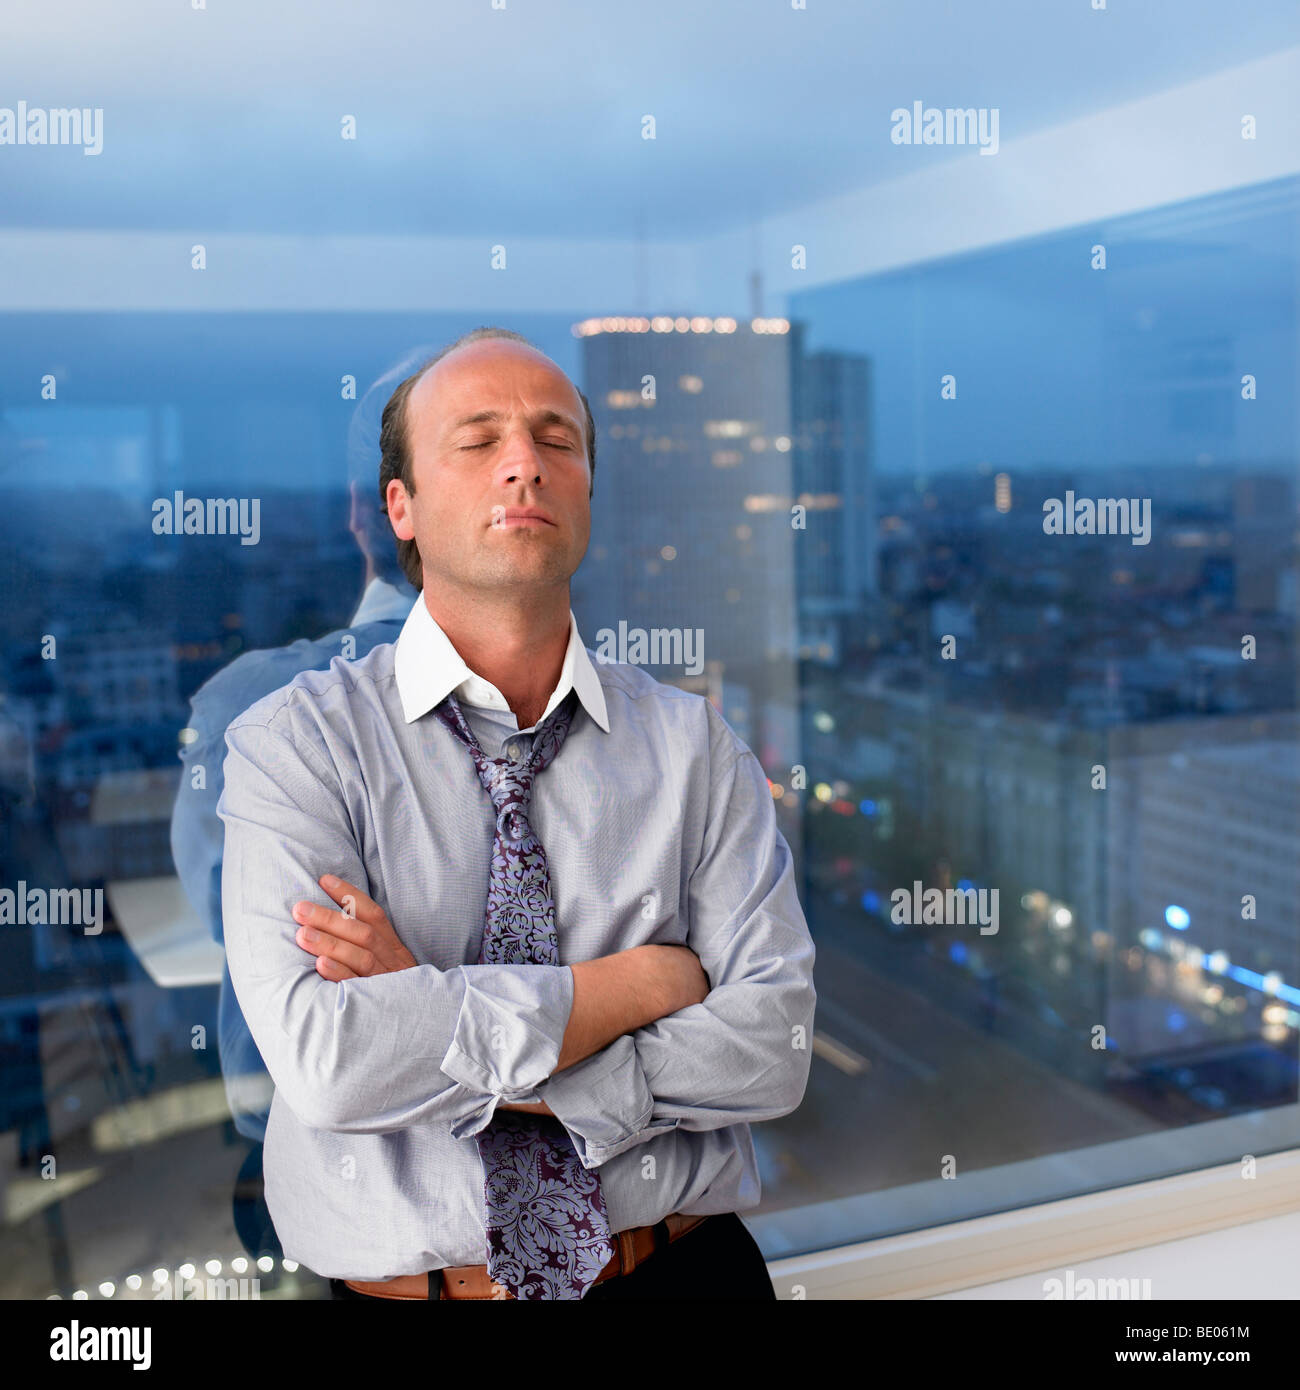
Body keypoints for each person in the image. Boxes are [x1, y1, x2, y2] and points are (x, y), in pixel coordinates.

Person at [217, 325, 816, 1300]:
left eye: (555, 440)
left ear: (587, 492)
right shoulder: (297, 746)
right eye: (478, 439)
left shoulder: (692, 749)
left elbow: (774, 1046)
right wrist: (630, 988)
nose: (524, 465)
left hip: (680, 1278)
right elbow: (330, 1061)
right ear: (400, 508)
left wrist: (435, 1006)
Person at [170, 350, 424, 1252]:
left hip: (296, 1145)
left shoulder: (248, 706)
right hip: (333, 1141)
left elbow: (233, 912)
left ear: (364, 517)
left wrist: (410, 976)